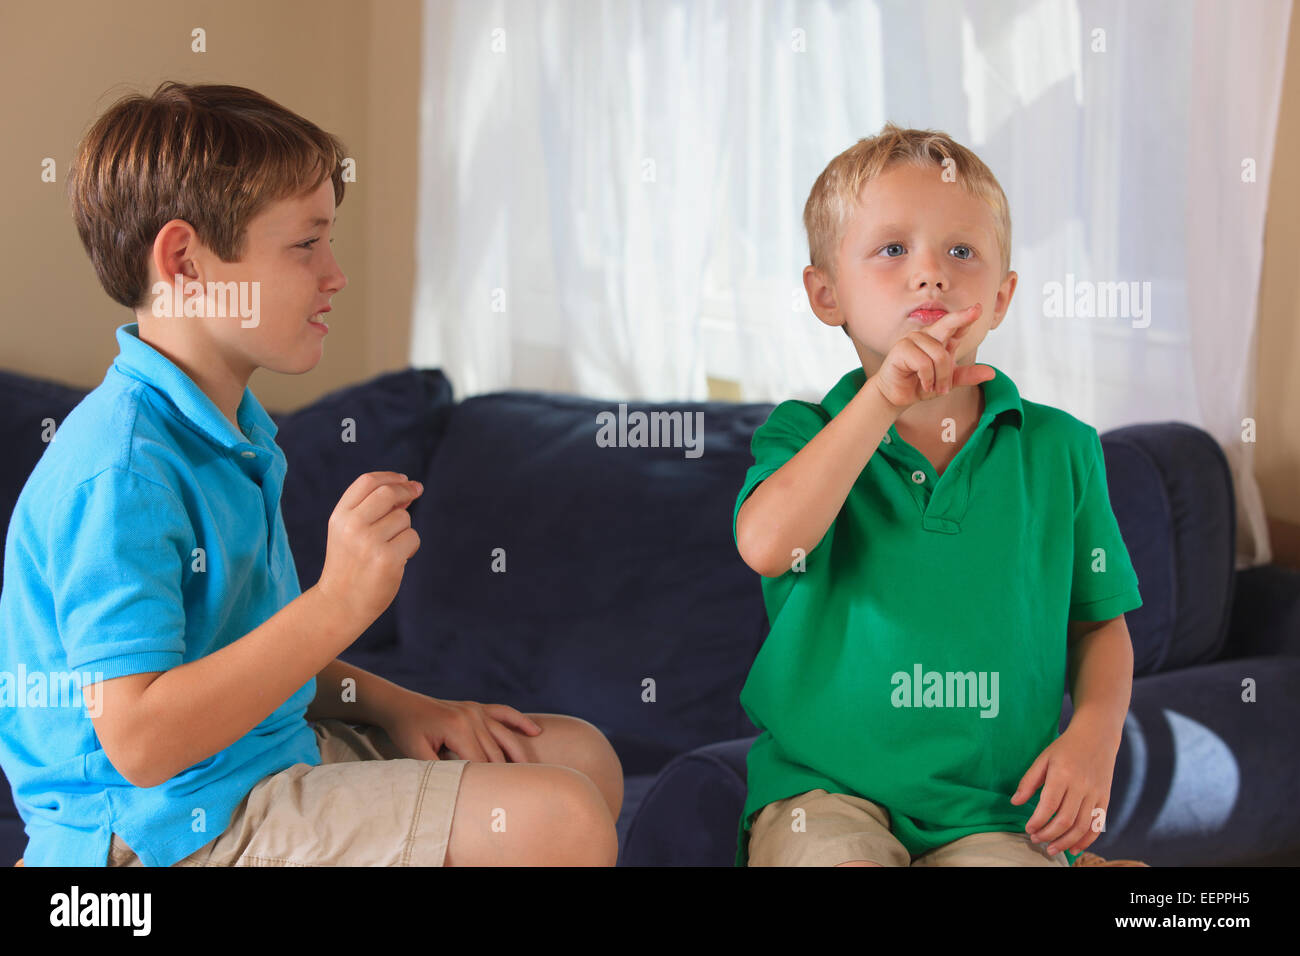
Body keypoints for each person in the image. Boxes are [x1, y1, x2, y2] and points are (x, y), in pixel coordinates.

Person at [0, 81, 621, 867]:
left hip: (255, 765)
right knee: (558, 820)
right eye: (306, 244)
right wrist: (337, 603)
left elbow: (249, 655)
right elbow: (141, 741)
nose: (335, 275)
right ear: (186, 260)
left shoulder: (228, 429)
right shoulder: (122, 471)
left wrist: (401, 706)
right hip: (161, 832)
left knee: (581, 759)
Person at [733, 123, 1142, 867]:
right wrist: (880, 403)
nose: (931, 275)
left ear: (1002, 295)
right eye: (893, 250)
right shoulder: (802, 434)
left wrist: (1094, 737)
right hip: (823, 795)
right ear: (827, 295)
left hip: (996, 810)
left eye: (961, 251)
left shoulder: (1063, 449)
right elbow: (768, 545)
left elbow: (1099, 626)